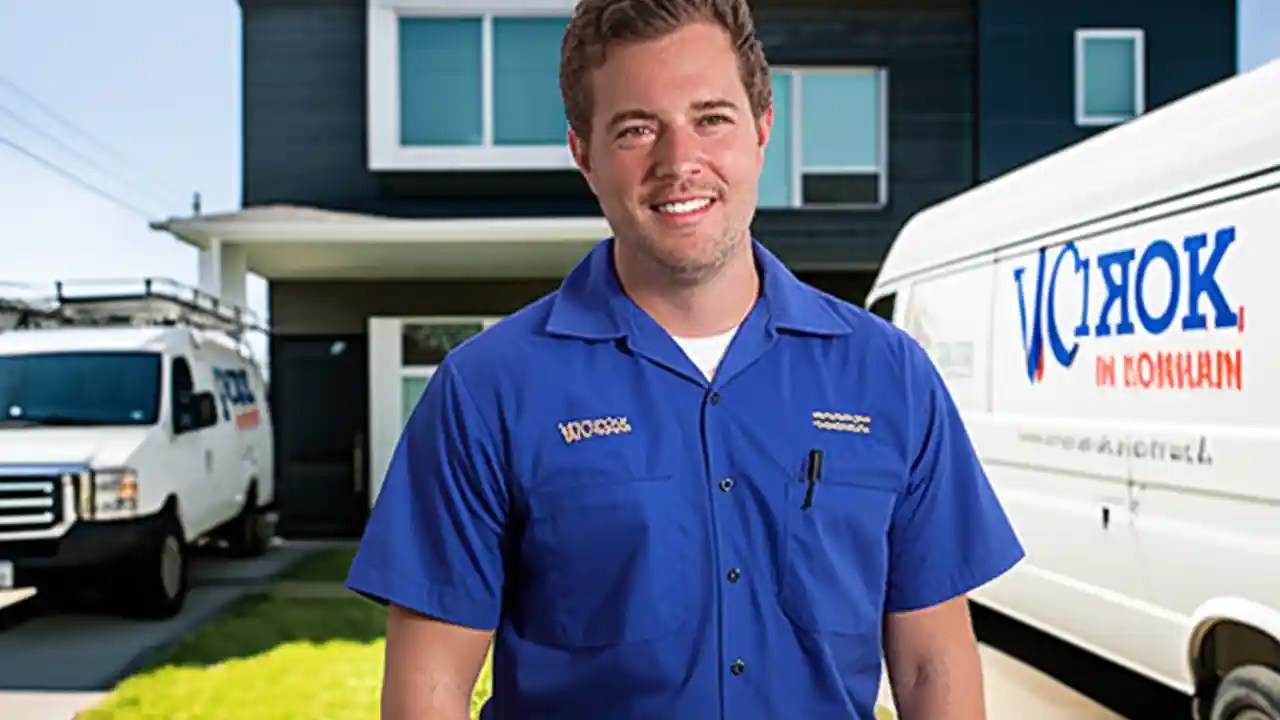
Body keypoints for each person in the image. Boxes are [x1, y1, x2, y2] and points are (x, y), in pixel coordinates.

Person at [345, 0, 1025, 717]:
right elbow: (430, 686)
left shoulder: (890, 377)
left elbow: (932, 668)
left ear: (761, 131)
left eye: (711, 119)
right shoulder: (485, 390)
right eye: (637, 129)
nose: (679, 163)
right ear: (584, 155)